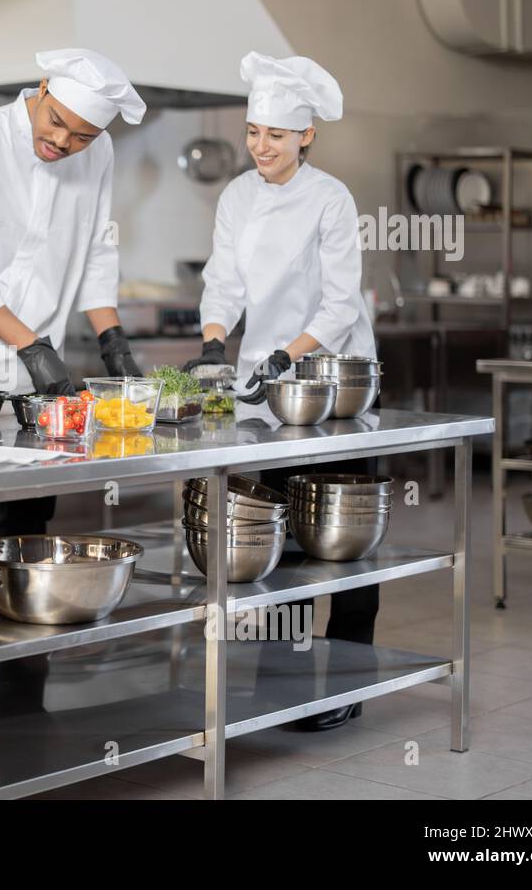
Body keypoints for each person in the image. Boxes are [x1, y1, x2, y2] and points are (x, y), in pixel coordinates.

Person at [187, 51, 379, 731]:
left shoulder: (331, 197)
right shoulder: (238, 196)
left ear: (306, 135)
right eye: (252, 131)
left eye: (274, 133)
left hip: (331, 380)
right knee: (283, 540)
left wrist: (280, 355)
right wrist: (216, 340)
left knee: (343, 539)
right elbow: (224, 283)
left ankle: (350, 678)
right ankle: (281, 688)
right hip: (268, 391)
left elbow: (338, 306)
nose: (260, 145)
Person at [0, 48, 146, 536]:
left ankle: (25, 609)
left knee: (31, 522)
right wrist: (28, 344)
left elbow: (97, 247)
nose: (61, 141)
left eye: (82, 136)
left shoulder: (100, 153)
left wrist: (113, 341)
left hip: (39, 383)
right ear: (43, 88)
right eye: (56, 121)